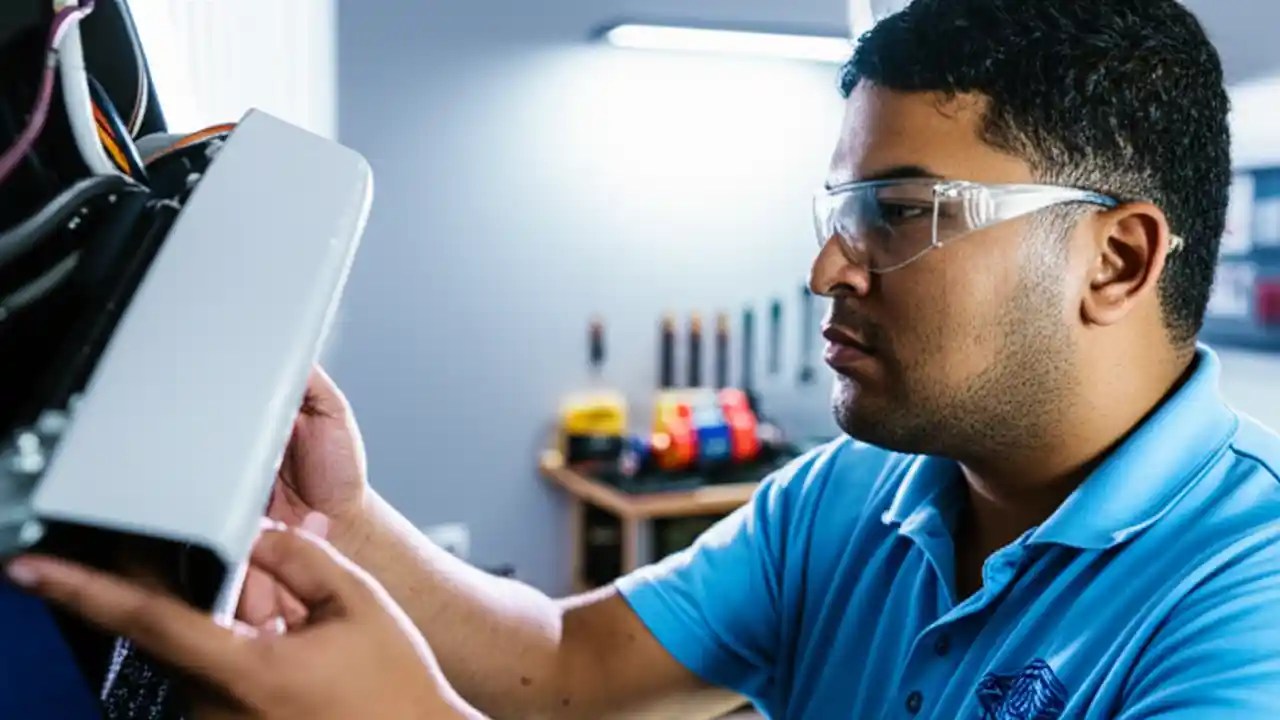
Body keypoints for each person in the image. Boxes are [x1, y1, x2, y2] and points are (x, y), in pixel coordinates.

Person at [9, 0, 1280, 717]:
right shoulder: (856, 495)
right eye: (835, 214)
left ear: (1114, 261)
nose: (824, 271)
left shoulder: (1244, 610)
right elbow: (567, 664)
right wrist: (341, 521)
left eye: (898, 213)